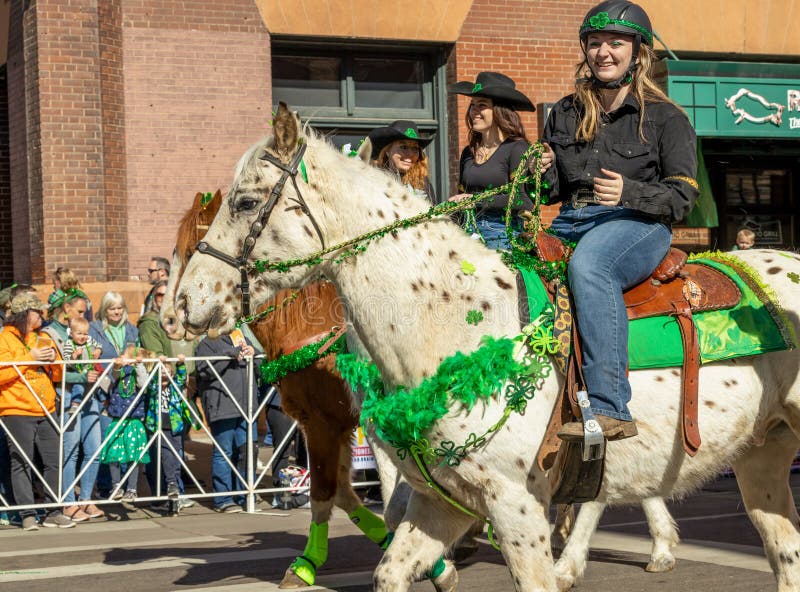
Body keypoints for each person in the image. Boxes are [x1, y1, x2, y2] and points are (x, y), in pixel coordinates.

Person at [542, 0, 699, 441]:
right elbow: (553, 192)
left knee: (591, 267)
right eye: (594, 43)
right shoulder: (564, 112)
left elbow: (683, 196)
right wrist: (540, 171)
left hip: (638, 225)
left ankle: (612, 407)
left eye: (616, 42)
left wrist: (628, 193)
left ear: (638, 53)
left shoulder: (667, 118)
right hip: (571, 219)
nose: (603, 52)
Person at [448, 71, 547, 249]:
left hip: (501, 232)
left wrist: (475, 200)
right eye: (472, 105)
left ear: (499, 110)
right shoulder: (468, 152)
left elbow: (523, 200)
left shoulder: (518, 148)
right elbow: (463, 195)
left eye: (482, 105)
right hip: (465, 231)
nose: (474, 112)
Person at [0, 293, 74, 529]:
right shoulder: (5, 339)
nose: (42, 316)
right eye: (38, 312)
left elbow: (59, 375)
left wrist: (53, 361)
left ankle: (54, 510)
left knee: (54, 461)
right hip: (16, 408)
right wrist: (29, 359)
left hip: (46, 407)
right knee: (21, 461)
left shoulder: (43, 337)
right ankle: (27, 514)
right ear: (25, 314)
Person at [42, 291, 105, 521]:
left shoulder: (85, 332)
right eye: (80, 311)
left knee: (94, 448)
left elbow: (99, 349)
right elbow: (54, 371)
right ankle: (68, 502)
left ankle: (86, 499)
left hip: (91, 395)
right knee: (71, 450)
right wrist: (81, 377)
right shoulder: (50, 333)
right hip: (68, 397)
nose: (84, 315)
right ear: (66, 309)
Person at [195, 328, 258, 513]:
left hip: (247, 406)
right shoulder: (206, 343)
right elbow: (203, 370)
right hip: (222, 404)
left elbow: (260, 366)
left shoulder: (242, 338)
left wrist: (255, 354)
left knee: (247, 452)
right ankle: (223, 498)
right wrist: (229, 354)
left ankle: (245, 494)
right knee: (224, 453)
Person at [89, 292, 142, 500]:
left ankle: (129, 487)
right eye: (112, 308)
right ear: (104, 310)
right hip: (103, 390)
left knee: (129, 441)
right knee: (107, 440)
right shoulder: (95, 329)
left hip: (128, 392)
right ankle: (106, 487)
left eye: (119, 307)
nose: (117, 312)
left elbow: (139, 354)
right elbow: (92, 359)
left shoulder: (132, 330)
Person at [144, 354, 198, 504]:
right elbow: (151, 382)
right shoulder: (154, 387)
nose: (164, 375)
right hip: (159, 426)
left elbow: (181, 377)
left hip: (174, 426)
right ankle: (172, 483)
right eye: (161, 372)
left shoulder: (175, 386)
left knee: (176, 455)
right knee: (166, 455)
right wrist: (158, 365)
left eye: (167, 372)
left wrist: (180, 363)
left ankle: (173, 483)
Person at [367, 120, 436, 201]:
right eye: (403, 147)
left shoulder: (423, 183)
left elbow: (433, 213)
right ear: (388, 151)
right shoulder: (373, 180)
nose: (410, 154)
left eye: (415, 148)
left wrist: (452, 209)